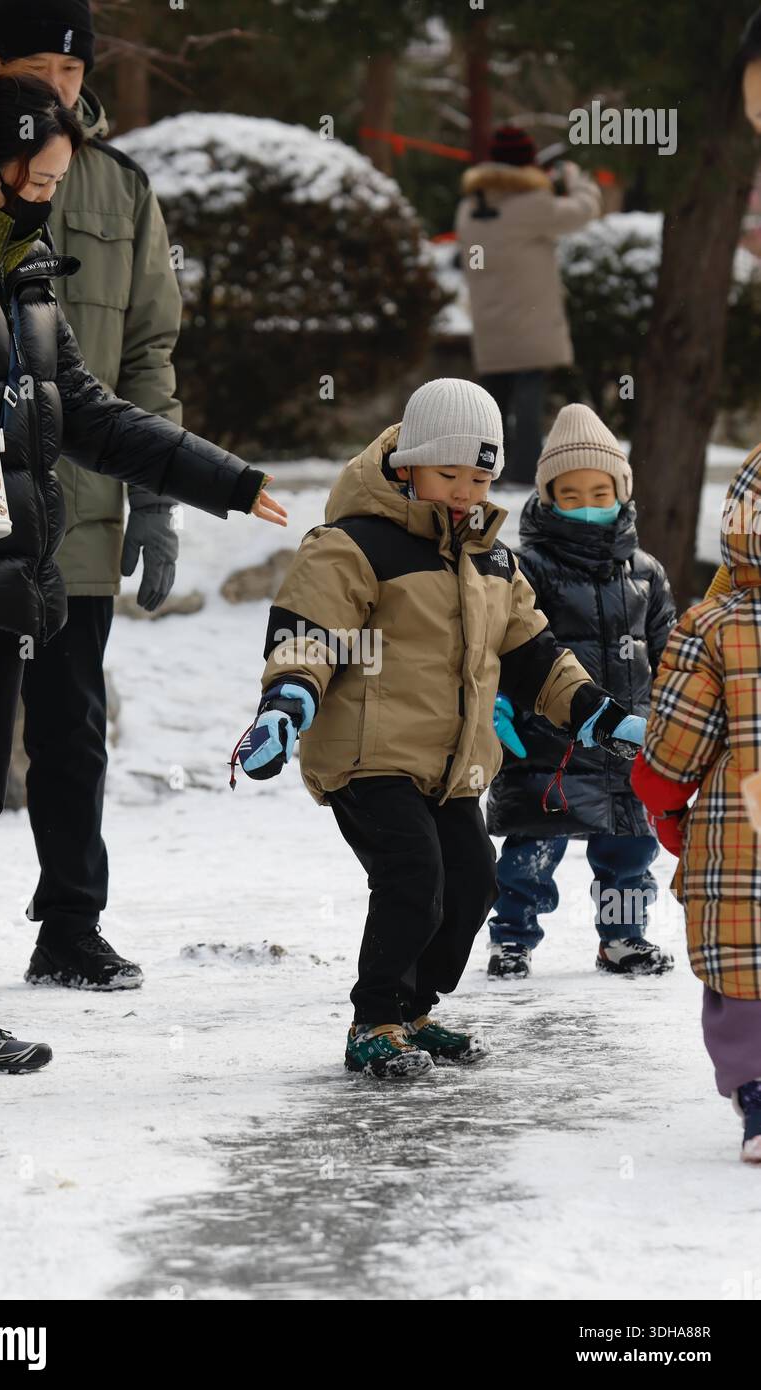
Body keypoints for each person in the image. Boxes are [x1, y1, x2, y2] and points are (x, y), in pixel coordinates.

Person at [0, 45, 285, 1087]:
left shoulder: (16, 261)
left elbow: (91, 412)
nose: (52, 199)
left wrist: (222, 479)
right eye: (43, 181)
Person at [234, 379, 645, 1079]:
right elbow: (310, 634)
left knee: (472, 885)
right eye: (449, 473)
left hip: (452, 764)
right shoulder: (354, 546)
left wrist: (596, 711)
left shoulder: (492, 559)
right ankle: (376, 1020)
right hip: (368, 758)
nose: (465, 490)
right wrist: (287, 704)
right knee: (413, 876)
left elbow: (535, 655)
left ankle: (414, 1010)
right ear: (407, 465)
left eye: (481, 476)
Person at [0, 0, 187, 991]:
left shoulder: (120, 188)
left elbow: (149, 345)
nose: (57, 91)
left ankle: (71, 924)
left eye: (69, 74)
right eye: (35, 68)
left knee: (70, 736)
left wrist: (154, 495)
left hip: (81, 515)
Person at [485, 405, 677, 978]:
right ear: (548, 498)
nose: (589, 503)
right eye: (572, 494)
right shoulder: (528, 568)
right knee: (530, 853)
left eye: (601, 490)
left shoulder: (645, 572)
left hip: (627, 744)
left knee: (630, 852)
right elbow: (502, 643)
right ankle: (511, 938)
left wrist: (679, 713)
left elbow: (671, 655)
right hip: (546, 742)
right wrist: (497, 703)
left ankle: (622, 937)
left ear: (622, 492)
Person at [631, 446, 761, 1164]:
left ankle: (757, 1092)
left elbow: (676, 744)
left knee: (743, 966)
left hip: (739, 836)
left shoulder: (712, 625)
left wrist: (660, 796)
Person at [454, 124, 601, 486]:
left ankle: (489, 469)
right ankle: (525, 471)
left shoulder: (470, 207)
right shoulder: (532, 205)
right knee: (529, 395)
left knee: (494, 400)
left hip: (490, 319)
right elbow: (584, 210)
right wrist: (576, 179)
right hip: (531, 320)